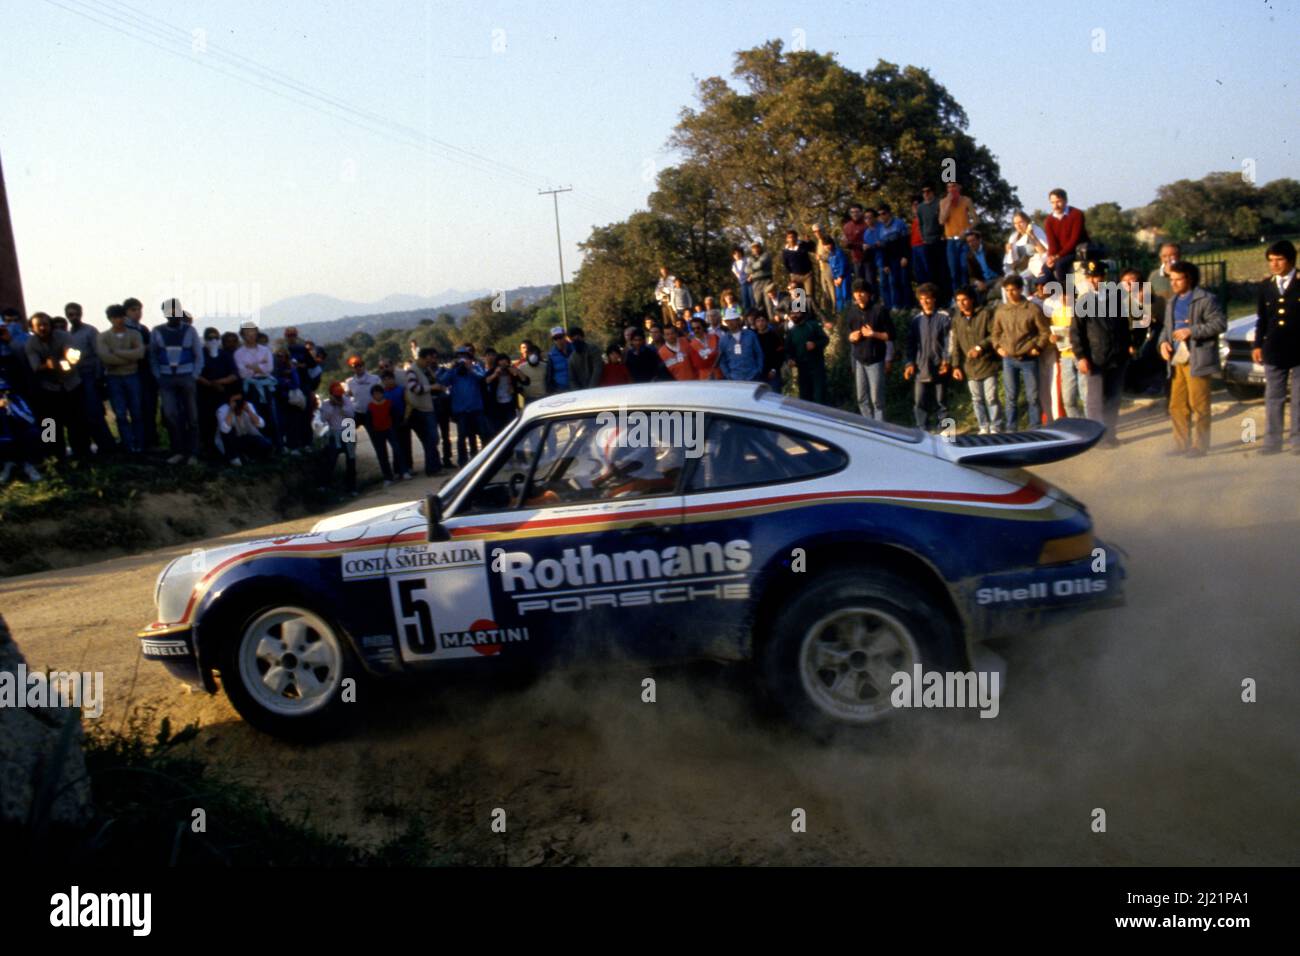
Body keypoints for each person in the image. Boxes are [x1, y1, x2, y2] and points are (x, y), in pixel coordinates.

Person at [1158, 261, 1226, 457]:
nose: (1175, 283)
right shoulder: (1172, 301)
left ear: (1190, 278)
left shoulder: (1206, 299)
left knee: (1199, 404)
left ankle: (1200, 446)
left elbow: (1220, 323)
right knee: (1176, 405)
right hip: (1176, 359)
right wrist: (1163, 343)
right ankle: (1181, 444)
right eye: (1172, 280)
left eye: (1179, 279)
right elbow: (1166, 328)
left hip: (1198, 357)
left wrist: (1192, 330)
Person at [1071, 259, 1131, 447]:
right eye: (1091, 277)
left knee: (1113, 399)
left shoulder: (1115, 298)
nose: (1095, 281)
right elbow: (1076, 332)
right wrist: (1081, 356)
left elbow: (1123, 326)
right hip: (1095, 358)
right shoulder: (1084, 301)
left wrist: (1127, 347)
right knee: (1095, 401)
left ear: (1104, 277)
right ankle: (1097, 437)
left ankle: (1110, 434)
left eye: (1097, 276)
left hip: (1116, 356)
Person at [1254, 240, 1300, 454]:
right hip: (1274, 347)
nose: (1274, 264)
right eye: (1271, 260)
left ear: (1291, 260)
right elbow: (1262, 319)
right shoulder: (1266, 286)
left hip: (1298, 347)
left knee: (1299, 398)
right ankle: (1273, 442)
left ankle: (1297, 441)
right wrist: (1257, 344)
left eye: (1279, 260)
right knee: (1274, 397)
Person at [25, 311, 89, 459]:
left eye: (45, 324)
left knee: (77, 423)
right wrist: (47, 365)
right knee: (50, 425)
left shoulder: (64, 336)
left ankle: (83, 455)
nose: (42, 328)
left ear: (51, 325)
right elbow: (35, 367)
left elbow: (72, 356)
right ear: (32, 328)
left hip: (71, 385)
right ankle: (54, 457)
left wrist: (66, 357)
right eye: (38, 325)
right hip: (48, 390)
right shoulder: (30, 344)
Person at [991, 275, 1052, 432]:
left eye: (1013, 290)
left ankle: (1035, 427)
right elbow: (995, 333)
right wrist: (998, 347)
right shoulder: (1001, 311)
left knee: (1033, 396)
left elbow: (1044, 332)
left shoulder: (1032, 309)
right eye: (1007, 290)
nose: (1010, 293)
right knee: (1011, 397)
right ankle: (1011, 428)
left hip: (1028, 358)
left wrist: (1038, 347)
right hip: (1009, 359)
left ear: (1020, 289)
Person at [950, 286, 1001, 434]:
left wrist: (980, 347)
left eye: (964, 299)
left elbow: (994, 335)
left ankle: (996, 425)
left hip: (988, 362)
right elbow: (955, 344)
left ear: (972, 299)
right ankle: (983, 426)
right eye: (958, 300)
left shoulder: (985, 314)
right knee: (977, 398)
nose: (961, 303)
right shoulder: (957, 319)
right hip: (970, 366)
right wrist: (955, 366)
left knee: (991, 397)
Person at [65, 302, 114, 453]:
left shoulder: (90, 331)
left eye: (76, 314)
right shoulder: (67, 334)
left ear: (81, 313)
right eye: (70, 314)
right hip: (74, 379)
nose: (74, 317)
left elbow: (99, 354)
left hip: (90, 376)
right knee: (80, 414)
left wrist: (99, 377)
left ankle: (106, 446)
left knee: (95, 413)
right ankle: (84, 447)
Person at [97, 304, 146, 453]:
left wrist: (117, 352)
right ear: (110, 319)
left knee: (137, 412)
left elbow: (140, 354)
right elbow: (105, 358)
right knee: (120, 414)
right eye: (115, 317)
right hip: (114, 378)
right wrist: (128, 356)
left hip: (132, 376)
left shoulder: (134, 334)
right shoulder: (103, 337)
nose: (118, 320)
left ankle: (140, 445)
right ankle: (127, 445)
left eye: (120, 316)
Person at [904, 283, 952, 431]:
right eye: (922, 299)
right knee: (919, 401)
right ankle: (922, 429)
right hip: (921, 367)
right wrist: (909, 363)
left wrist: (946, 360)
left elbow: (949, 341)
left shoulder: (944, 317)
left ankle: (946, 431)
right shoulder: (915, 320)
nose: (925, 302)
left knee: (942, 401)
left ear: (934, 299)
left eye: (928, 299)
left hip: (939, 365)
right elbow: (910, 344)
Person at [845, 279, 892, 420]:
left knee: (877, 399)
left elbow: (891, 335)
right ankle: (869, 426)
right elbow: (849, 334)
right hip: (859, 360)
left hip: (875, 360)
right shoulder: (852, 312)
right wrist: (851, 337)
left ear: (869, 294)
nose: (858, 295)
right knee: (861, 398)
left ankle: (880, 429)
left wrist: (874, 334)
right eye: (856, 292)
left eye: (862, 292)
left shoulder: (879, 310)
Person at [1040, 280, 1086, 419]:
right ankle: (1078, 425)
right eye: (1062, 295)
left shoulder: (1082, 312)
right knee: (1068, 399)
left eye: (1068, 295)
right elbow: (1052, 333)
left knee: (1085, 395)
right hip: (1065, 356)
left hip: (1082, 356)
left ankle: (1092, 425)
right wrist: (1052, 338)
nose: (1064, 298)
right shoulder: (1056, 313)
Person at [436, 347, 489, 466]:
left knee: (483, 434)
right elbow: (442, 382)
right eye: (460, 357)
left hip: (476, 409)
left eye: (465, 357)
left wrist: (470, 369)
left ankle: (486, 459)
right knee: (462, 438)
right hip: (461, 411)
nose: (463, 360)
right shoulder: (454, 372)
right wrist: (450, 368)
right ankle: (463, 461)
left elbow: (482, 378)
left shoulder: (476, 368)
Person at [234, 319, 281, 454]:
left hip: (266, 386)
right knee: (255, 416)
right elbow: (243, 373)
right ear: (242, 335)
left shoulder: (265, 350)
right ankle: (260, 448)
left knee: (272, 415)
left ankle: (277, 447)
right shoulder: (239, 353)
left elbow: (269, 368)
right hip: (251, 388)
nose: (250, 335)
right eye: (247, 332)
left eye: (253, 332)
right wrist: (260, 366)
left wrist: (252, 367)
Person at [122, 297, 159, 450]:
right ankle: (136, 442)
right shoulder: (123, 328)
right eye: (133, 310)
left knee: (149, 407)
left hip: (146, 372)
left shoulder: (143, 329)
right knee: (135, 409)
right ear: (126, 312)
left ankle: (150, 441)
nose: (138, 313)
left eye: (139, 310)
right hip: (130, 372)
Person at [196, 328, 239, 459]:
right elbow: (195, 373)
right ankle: (209, 453)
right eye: (210, 338)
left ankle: (229, 453)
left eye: (216, 338)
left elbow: (234, 374)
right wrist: (210, 384)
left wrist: (220, 382)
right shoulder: (200, 354)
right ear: (205, 339)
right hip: (204, 395)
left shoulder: (224, 355)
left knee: (225, 424)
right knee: (206, 425)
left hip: (222, 395)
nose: (213, 340)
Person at [403, 346, 445, 474]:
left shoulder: (425, 370)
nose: (431, 362)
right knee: (431, 440)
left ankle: (434, 467)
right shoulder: (412, 371)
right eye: (430, 359)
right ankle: (433, 468)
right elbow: (414, 388)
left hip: (429, 408)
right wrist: (432, 387)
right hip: (420, 410)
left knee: (432, 440)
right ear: (424, 357)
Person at [783, 297, 829, 404]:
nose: (794, 315)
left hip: (817, 367)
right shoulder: (791, 331)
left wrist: (815, 344)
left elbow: (825, 339)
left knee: (819, 397)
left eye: (796, 312)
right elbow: (788, 349)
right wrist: (790, 359)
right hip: (802, 369)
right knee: (805, 399)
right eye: (792, 313)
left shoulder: (812, 325)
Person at [0, 375, 44, 483]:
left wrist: (11, 407)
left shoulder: (16, 399)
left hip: (19, 433)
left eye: (4, 392)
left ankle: (27, 464)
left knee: (33, 433)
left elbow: (30, 419)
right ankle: (7, 465)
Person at [318, 382, 358, 494]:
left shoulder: (346, 400)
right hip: (334, 432)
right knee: (331, 460)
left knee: (351, 460)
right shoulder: (326, 404)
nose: (338, 397)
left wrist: (341, 406)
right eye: (336, 395)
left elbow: (351, 414)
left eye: (339, 395)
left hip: (348, 429)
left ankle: (352, 487)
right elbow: (323, 419)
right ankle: (325, 485)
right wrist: (332, 405)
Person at [1044, 188, 1088, 288]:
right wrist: (1051, 257)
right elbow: (1052, 243)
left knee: (1060, 265)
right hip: (1060, 254)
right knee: (1046, 268)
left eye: (1058, 201)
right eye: (1052, 202)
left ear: (1065, 201)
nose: (1055, 205)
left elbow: (1074, 240)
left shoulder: (1076, 214)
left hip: (1076, 250)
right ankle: (1053, 294)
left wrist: (1058, 256)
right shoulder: (1049, 220)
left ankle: (1067, 292)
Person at [365, 383, 407, 484]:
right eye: (375, 394)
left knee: (397, 450)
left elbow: (394, 416)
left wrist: (394, 426)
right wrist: (373, 431)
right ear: (372, 395)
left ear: (382, 394)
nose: (377, 396)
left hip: (389, 429)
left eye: (379, 393)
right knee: (382, 455)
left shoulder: (389, 403)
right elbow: (369, 421)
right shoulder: (370, 407)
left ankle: (403, 471)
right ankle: (388, 477)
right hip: (378, 432)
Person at [215, 391, 272, 465]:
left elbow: (261, 424)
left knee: (267, 443)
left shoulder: (247, 406)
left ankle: (250, 456)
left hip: (246, 438)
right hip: (231, 442)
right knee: (228, 429)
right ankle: (234, 458)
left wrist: (248, 411)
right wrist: (231, 411)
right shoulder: (222, 410)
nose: (238, 403)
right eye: (235, 401)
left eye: (239, 400)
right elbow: (224, 430)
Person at [940, 182, 976, 294]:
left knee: (964, 268)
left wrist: (966, 231)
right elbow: (941, 221)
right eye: (949, 187)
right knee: (953, 271)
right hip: (950, 240)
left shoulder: (966, 200)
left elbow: (975, 219)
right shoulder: (943, 202)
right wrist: (948, 204)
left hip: (964, 240)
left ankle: (967, 293)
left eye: (954, 186)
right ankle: (956, 296)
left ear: (959, 187)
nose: (951, 189)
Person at [876, 204, 912, 311]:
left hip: (901, 257)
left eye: (884, 213)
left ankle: (908, 305)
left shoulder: (899, 223)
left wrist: (905, 256)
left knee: (904, 281)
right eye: (879, 214)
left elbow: (906, 241)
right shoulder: (881, 229)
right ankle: (897, 306)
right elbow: (883, 248)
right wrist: (885, 263)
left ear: (889, 213)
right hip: (890, 260)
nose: (882, 216)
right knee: (893, 282)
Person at [917, 185, 949, 304]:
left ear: (932, 192)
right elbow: (920, 224)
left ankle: (946, 298)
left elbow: (945, 220)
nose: (926, 193)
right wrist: (923, 238)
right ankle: (937, 300)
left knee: (943, 271)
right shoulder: (920, 207)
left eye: (928, 191)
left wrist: (943, 234)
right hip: (927, 242)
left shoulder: (939, 203)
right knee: (931, 273)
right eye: (923, 192)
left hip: (940, 240)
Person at [1004, 211, 1049, 286]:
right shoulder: (1013, 237)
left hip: (1037, 264)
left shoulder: (1035, 230)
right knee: (1008, 282)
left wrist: (1032, 237)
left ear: (1027, 221)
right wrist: (1008, 251)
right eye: (1015, 223)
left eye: (1020, 222)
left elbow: (1044, 252)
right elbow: (1012, 263)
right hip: (1021, 267)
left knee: (1022, 280)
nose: (1018, 225)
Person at [485, 352, 526, 432]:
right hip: (497, 406)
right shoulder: (493, 371)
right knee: (500, 429)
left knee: (512, 427)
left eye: (505, 360)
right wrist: (495, 374)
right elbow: (485, 382)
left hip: (511, 404)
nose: (503, 363)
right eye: (501, 361)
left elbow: (525, 381)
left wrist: (517, 371)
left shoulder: (511, 371)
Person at [718, 309, 763, 382]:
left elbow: (759, 354)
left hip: (753, 376)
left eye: (733, 320)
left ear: (738, 321)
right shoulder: (723, 340)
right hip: (735, 378)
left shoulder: (750, 335)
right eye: (728, 321)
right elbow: (722, 360)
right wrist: (728, 375)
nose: (730, 323)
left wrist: (758, 370)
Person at [782, 229, 817, 304]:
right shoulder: (785, 251)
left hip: (807, 275)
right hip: (795, 277)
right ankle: (800, 315)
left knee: (810, 297)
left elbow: (812, 248)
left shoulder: (802, 244)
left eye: (793, 237)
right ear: (787, 239)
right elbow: (786, 264)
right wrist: (791, 273)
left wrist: (809, 241)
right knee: (797, 298)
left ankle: (813, 314)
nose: (791, 239)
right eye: (789, 237)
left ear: (796, 237)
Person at [753, 311, 785, 390]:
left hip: (773, 374)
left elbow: (780, 355)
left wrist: (774, 369)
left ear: (767, 322)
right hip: (758, 374)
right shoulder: (753, 337)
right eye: (758, 321)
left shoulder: (774, 336)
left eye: (763, 320)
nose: (760, 323)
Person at [687, 315, 723, 380]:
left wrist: (706, 357)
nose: (696, 330)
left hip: (720, 375)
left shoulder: (715, 337)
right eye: (693, 329)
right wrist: (713, 355)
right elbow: (699, 364)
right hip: (705, 379)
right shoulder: (691, 346)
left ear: (703, 327)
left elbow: (721, 355)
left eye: (698, 328)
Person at [748, 242, 775, 322]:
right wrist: (753, 267)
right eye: (753, 248)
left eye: (757, 247)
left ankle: (772, 321)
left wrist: (752, 268)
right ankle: (761, 322)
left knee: (769, 303)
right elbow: (746, 269)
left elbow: (760, 264)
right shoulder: (751, 258)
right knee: (759, 303)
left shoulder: (766, 255)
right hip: (756, 283)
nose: (755, 249)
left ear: (760, 247)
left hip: (766, 280)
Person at [545, 326, 572, 393]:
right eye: (555, 338)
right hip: (560, 389)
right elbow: (549, 374)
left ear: (564, 336)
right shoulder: (551, 354)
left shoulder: (575, 349)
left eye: (560, 337)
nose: (558, 340)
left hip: (577, 387)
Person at [731, 247, 753, 312]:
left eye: (737, 253)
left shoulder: (747, 259)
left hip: (750, 282)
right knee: (745, 300)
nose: (736, 255)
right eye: (734, 254)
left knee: (752, 298)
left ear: (741, 253)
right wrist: (741, 279)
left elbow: (753, 269)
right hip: (743, 283)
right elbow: (737, 274)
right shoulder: (734, 265)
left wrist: (750, 277)